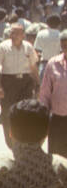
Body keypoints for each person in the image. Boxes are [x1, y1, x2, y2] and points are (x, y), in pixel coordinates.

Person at [0, 20, 39, 145]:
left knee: (26, 112)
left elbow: (33, 67)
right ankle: (10, 142)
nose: (13, 36)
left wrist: (38, 85)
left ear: (23, 35)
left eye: (16, 33)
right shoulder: (3, 47)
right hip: (8, 83)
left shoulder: (28, 47)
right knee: (7, 113)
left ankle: (25, 141)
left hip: (25, 83)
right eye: (12, 33)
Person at [39, 29, 67, 158]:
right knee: (57, 158)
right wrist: (43, 117)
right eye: (64, 44)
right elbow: (45, 93)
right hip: (58, 120)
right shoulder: (53, 64)